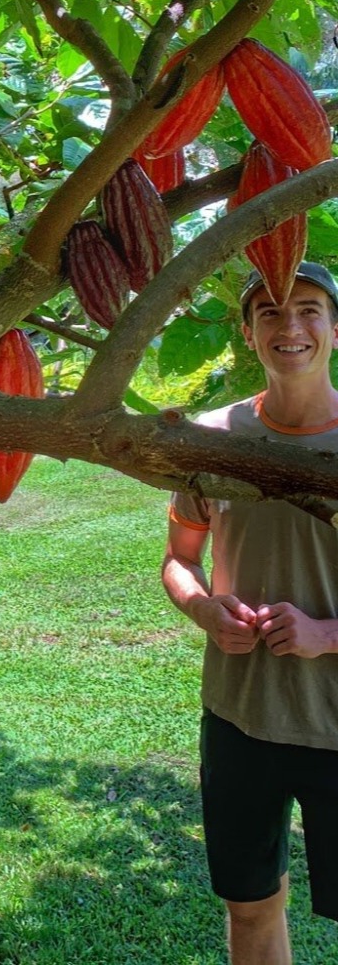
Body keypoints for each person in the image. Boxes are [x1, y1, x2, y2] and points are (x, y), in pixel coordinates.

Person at [163, 261, 338, 965]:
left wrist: (329, 635)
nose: (288, 326)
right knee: (251, 907)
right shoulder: (213, 438)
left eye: (306, 309)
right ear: (246, 333)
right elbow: (179, 557)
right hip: (240, 721)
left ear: (334, 327)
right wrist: (205, 609)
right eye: (268, 312)